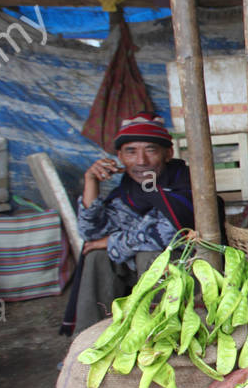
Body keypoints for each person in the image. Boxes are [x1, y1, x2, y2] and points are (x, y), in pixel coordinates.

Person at [68, 112, 195, 334]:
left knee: (151, 255)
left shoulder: (183, 182)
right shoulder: (128, 190)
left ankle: (158, 336)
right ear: (119, 156)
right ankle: (92, 338)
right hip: (134, 267)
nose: (141, 161)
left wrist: (112, 241)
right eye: (131, 151)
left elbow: (168, 235)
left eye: (151, 150)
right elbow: (91, 234)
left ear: (168, 153)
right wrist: (91, 182)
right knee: (96, 254)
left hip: (184, 269)